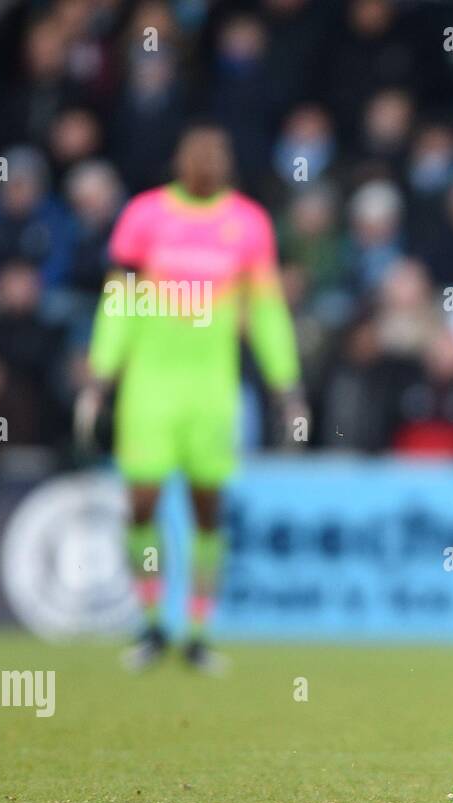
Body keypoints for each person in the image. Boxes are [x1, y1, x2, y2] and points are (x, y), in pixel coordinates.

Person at [74, 122, 306, 672]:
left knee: (207, 512)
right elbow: (118, 303)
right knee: (142, 504)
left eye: (216, 156)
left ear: (225, 164)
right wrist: (100, 378)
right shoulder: (145, 216)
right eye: (197, 154)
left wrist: (287, 387)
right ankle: (153, 623)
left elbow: (268, 315)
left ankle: (197, 633)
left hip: (211, 390)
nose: (206, 164)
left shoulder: (247, 223)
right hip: (150, 387)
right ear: (181, 161)